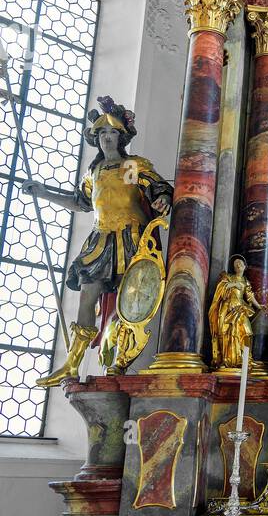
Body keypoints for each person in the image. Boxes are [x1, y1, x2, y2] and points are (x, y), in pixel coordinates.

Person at [22, 96, 173, 385]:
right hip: (100, 239)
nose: (107, 138)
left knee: (128, 300)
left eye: (112, 132)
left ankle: (118, 361)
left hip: (130, 238)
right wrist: (42, 192)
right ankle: (72, 363)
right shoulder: (95, 171)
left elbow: (155, 188)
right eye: (102, 133)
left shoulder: (129, 166)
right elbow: (80, 203)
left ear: (121, 137)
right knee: (88, 292)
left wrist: (164, 198)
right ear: (96, 139)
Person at [208, 255, 262, 369]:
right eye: (236, 264)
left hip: (240, 308)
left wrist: (259, 306)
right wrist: (234, 284)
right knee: (225, 332)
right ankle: (226, 360)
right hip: (227, 307)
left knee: (247, 332)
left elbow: (250, 296)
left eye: (240, 263)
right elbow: (221, 288)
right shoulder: (228, 277)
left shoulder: (246, 281)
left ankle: (246, 359)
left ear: (245, 266)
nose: (238, 265)